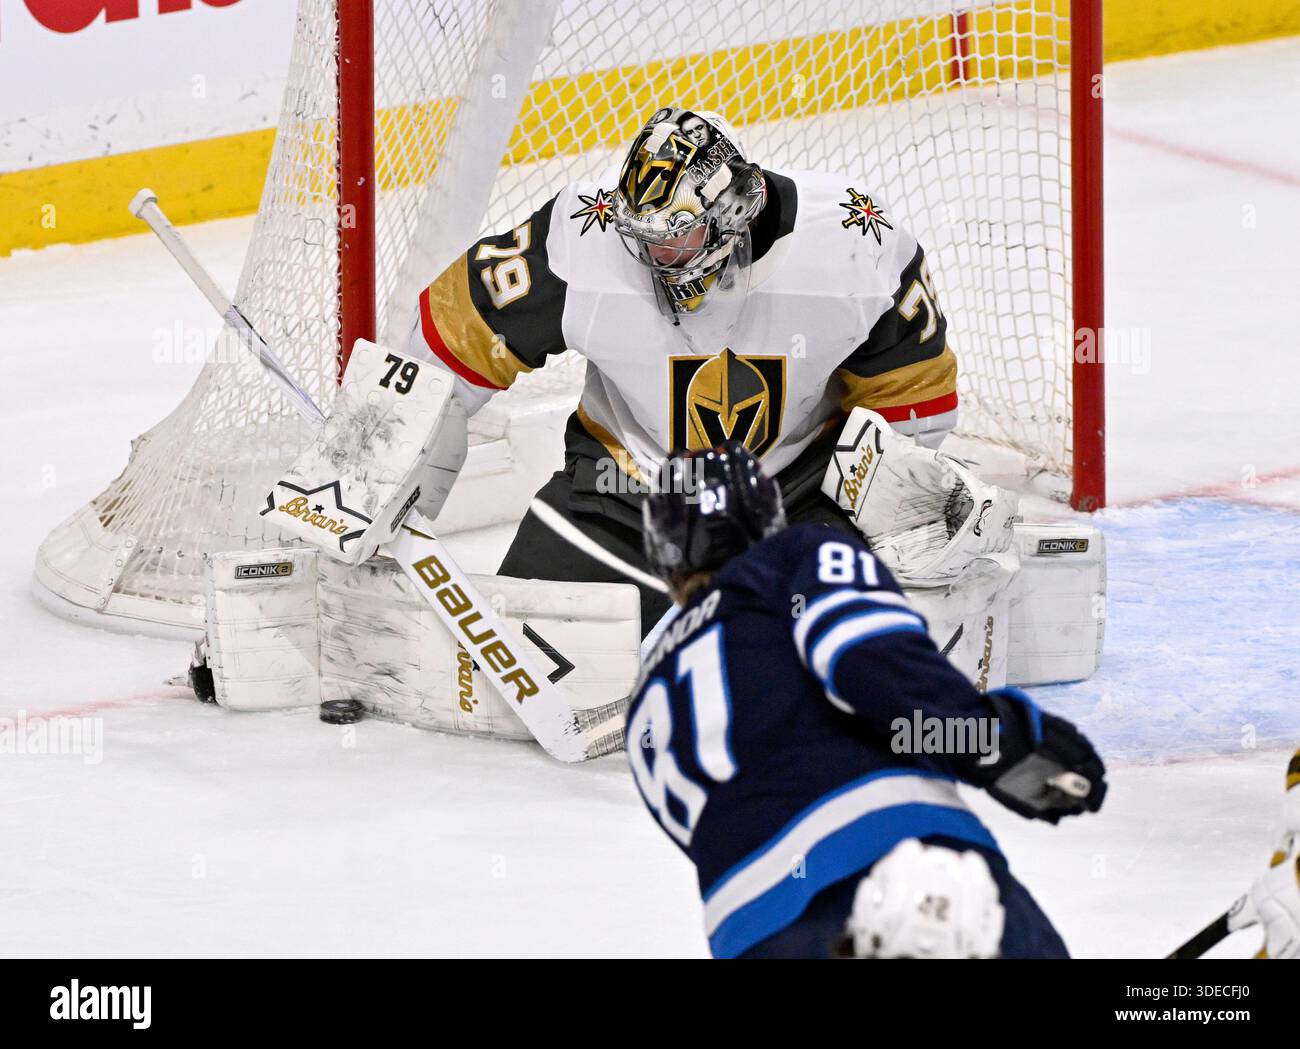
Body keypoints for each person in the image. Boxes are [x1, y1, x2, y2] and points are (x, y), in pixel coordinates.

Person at [406, 106, 983, 636]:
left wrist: (887, 515)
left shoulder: (854, 242)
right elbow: (453, 345)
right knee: (526, 639)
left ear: (732, 210)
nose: (657, 259)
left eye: (677, 238)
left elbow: (912, 397)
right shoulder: (583, 239)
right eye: (645, 240)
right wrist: (383, 483)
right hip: (627, 493)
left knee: (853, 650)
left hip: (802, 498)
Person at [626, 442, 1107, 958]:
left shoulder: (643, 705)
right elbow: (870, 658)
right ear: (768, 516)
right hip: (889, 868)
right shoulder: (792, 558)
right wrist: (998, 739)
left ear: (663, 556)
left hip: (751, 935)